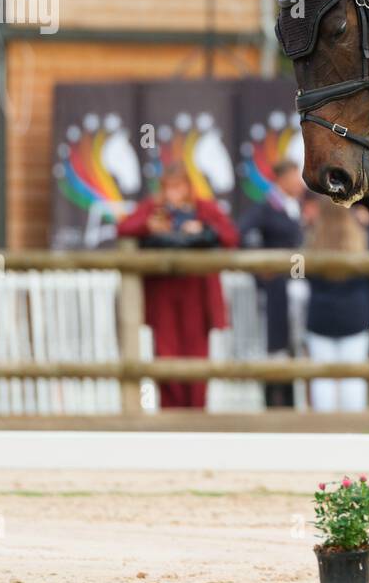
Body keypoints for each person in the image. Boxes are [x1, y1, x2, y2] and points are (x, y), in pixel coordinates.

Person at [116, 162, 239, 408]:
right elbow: (124, 227)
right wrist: (149, 226)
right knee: (166, 353)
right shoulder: (154, 208)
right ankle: (170, 414)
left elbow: (230, 235)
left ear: (188, 188)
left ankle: (197, 414)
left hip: (196, 292)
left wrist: (203, 229)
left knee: (197, 356)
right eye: (169, 188)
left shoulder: (203, 208)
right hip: (163, 293)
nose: (174, 193)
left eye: (178, 187)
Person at [238, 159, 307, 408]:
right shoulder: (267, 207)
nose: (299, 183)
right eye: (293, 177)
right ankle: (274, 402)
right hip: (277, 287)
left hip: (300, 282)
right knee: (276, 343)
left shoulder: (300, 205)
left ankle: (293, 401)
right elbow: (242, 234)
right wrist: (260, 269)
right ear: (281, 180)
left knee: (295, 343)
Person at [304, 196, 369, 412]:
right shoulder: (363, 237)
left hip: (320, 315)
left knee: (322, 379)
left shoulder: (310, 238)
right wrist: (367, 226)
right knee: (354, 378)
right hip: (354, 314)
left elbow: (296, 272)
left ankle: (324, 432)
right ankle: (353, 433)